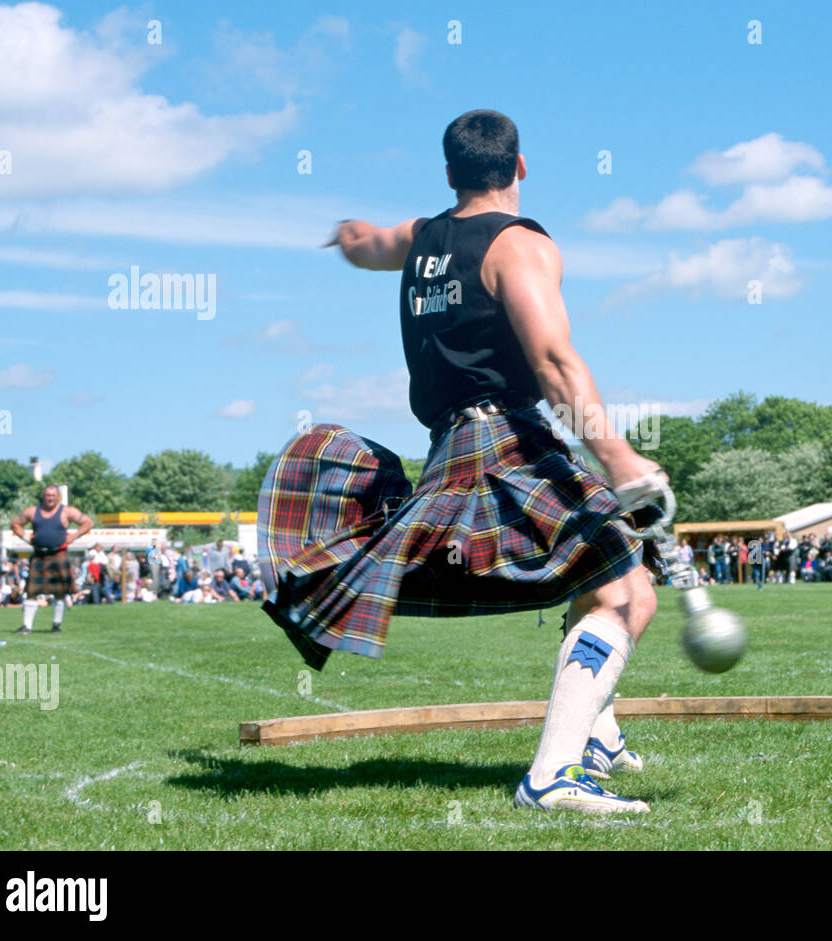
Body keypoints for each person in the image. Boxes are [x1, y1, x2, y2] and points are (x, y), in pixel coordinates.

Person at [260, 110, 664, 814]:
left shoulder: (421, 239)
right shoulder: (519, 245)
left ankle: (595, 735)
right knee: (629, 590)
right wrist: (621, 456)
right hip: (505, 438)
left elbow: (365, 244)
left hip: (449, 448)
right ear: (522, 166)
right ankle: (551, 777)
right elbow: (555, 362)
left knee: (602, 572)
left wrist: (344, 234)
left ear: (450, 174)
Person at [10, 484, 92, 634]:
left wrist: (72, 537)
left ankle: (56, 625)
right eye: (48, 495)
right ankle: (26, 626)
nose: (50, 498)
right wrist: (27, 539)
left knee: (60, 592)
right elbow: (15, 523)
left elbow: (88, 523)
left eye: (53, 495)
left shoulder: (67, 511)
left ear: (58, 496)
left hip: (59, 554)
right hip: (39, 555)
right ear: (44, 495)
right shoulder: (33, 511)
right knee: (32, 592)